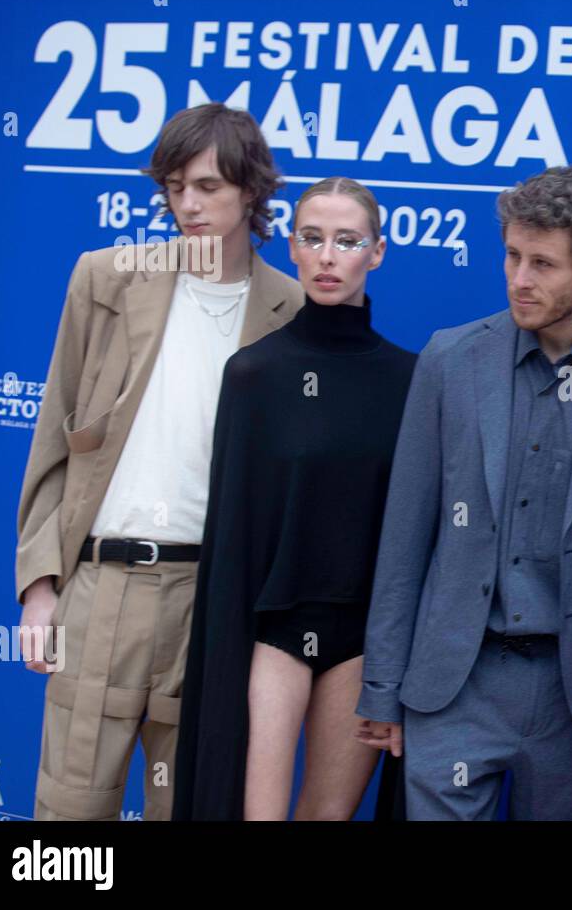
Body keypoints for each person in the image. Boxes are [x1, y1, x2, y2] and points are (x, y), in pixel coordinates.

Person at [15, 102, 303, 820]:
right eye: (176, 187)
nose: (189, 204)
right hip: (102, 586)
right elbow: (55, 435)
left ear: (251, 190)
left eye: (208, 185)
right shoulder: (106, 279)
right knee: (68, 825)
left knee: (190, 807)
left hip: (213, 600)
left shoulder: (291, 309)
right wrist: (39, 586)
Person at [356, 166, 572, 820]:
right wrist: (382, 691)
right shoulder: (449, 359)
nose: (519, 279)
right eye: (512, 256)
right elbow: (405, 537)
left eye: (544, 265)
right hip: (454, 684)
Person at [173, 178, 417, 820]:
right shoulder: (253, 373)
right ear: (292, 247)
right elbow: (232, 535)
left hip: (363, 637)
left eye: (347, 240)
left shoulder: (413, 380)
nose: (328, 256)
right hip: (274, 631)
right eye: (312, 238)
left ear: (378, 252)